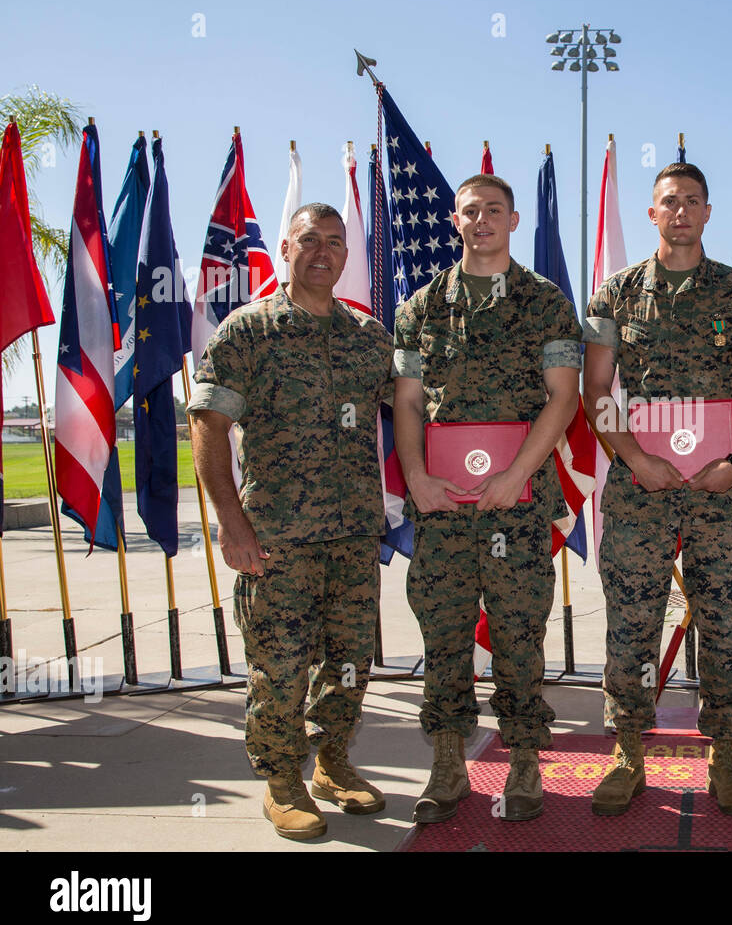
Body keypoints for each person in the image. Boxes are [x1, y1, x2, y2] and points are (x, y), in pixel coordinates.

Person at [190, 202, 395, 841]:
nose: (324, 253)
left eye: (336, 242)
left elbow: (419, 406)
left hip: (354, 535)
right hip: (277, 537)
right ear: (286, 247)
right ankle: (283, 780)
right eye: (311, 241)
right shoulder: (247, 333)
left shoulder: (369, 339)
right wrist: (232, 522)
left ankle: (333, 762)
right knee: (278, 664)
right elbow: (208, 425)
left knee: (349, 659)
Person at [582, 162, 732, 817]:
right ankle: (629, 752)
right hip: (641, 487)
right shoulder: (613, 296)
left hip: (719, 489)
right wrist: (632, 456)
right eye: (670, 201)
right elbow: (595, 391)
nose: (682, 211)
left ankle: (724, 752)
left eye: (693, 201)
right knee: (632, 621)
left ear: (708, 211)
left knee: (725, 620)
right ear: (652, 213)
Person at [393, 174, 581, 823]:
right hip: (441, 504)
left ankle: (524, 764)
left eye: (493, 211)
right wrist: (415, 476)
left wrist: (515, 475)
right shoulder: (421, 306)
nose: (482, 221)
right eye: (470, 211)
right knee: (443, 635)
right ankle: (447, 766)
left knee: (519, 634)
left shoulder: (545, 302)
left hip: (519, 502)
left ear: (513, 219)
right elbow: (409, 401)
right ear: (455, 219)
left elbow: (563, 398)